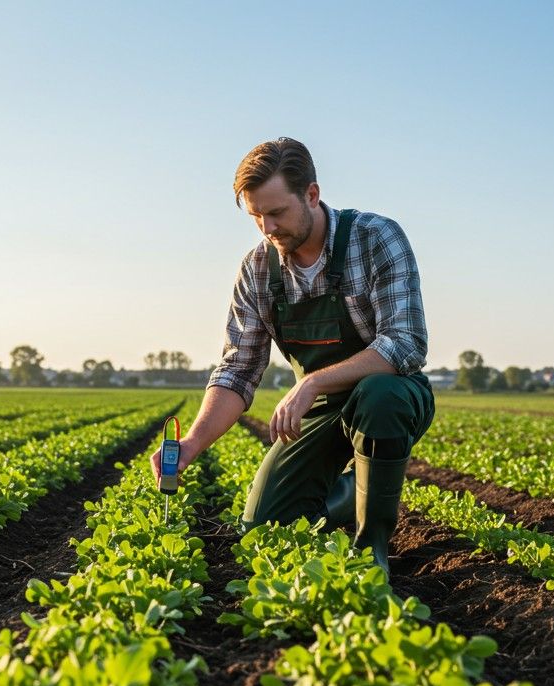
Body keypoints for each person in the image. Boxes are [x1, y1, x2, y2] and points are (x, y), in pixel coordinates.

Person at [151, 137, 434, 577]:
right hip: (320, 410)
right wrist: (192, 444)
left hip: (391, 393)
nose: (267, 228)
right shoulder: (258, 269)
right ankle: (351, 491)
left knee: (380, 395)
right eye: (256, 217)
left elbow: (406, 343)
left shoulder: (376, 238)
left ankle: (372, 546)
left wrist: (314, 381)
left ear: (312, 195)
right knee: (263, 528)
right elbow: (238, 370)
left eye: (277, 212)